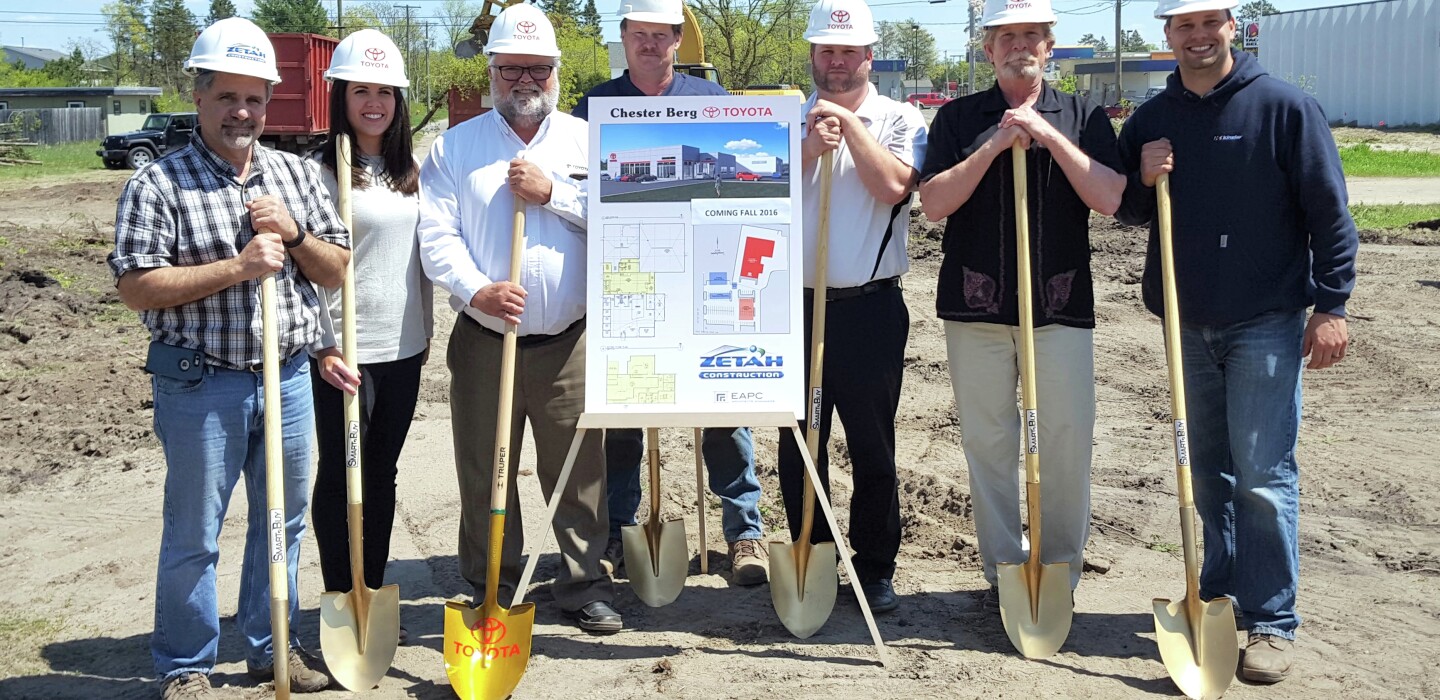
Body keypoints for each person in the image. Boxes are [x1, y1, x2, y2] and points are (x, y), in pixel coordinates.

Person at [107, 17, 349, 699]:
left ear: (269, 101)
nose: (242, 112)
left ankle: (272, 648)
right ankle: (185, 667)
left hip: (291, 377)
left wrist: (295, 235)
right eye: (226, 97)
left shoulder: (297, 176)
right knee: (195, 530)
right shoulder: (159, 184)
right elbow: (134, 285)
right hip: (199, 384)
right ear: (200, 94)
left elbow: (334, 272)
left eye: (254, 98)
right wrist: (238, 267)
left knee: (283, 520)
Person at [1116, 0, 1357, 682]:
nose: (1197, 37)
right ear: (1167, 35)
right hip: (1184, 322)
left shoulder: (1284, 107)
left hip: (1267, 322)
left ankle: (1273, 621)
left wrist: (1331, 305)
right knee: (1204, 473)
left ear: (1233, 27)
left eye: (1208, 23)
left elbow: (1329, 212)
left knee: (1263, 477)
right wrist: (1143, 174)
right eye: (1183, 26)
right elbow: (1130, 213)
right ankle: (1213, 596)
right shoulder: (1153, 120)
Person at [418, 4, 621, 634]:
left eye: (536, 69)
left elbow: (622, 219)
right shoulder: (456, 146)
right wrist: (477, 290)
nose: (523, 81)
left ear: (557, 70)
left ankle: (583, 581)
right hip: (485, 339)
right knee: (486, 465)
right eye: (510, 70)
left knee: (579, 468)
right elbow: (436, 235)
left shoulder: (587, 142)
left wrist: (553, 193)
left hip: (569, 340)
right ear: (491, 71)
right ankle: (492, 584)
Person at [917, 0, 1124, 614]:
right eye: (1007, 37)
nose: (1019, 46)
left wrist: (1047, 134)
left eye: (1032, 35)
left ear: (1049, 45)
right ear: (988, 50)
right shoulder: (958, 117)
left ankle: (1061, 568)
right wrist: (996, 143)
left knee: (1066, 437)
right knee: (988, 441)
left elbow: (1110, 197)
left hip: (1059, 304)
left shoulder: (1083, 114)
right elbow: (933, 203)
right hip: (975, 302)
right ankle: (1003, 565)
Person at [572, 0, 769, 585]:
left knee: (724, 409)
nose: (651, 45)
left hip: (703, 281)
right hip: (630, 283)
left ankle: (746, 535)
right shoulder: (594, 108)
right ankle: (615, 533)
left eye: (662, 36)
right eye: (640, 35)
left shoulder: (712, 104)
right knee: (626, 414)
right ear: (625, 37)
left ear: (679, 40)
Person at [775, 0, 927, 614]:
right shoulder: (782, 121)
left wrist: (847, 125)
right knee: (799, 443)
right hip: (795, 307)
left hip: (868, 309)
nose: (835, 61)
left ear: (868, 55)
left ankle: (876, 565)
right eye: (825, 50)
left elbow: (894, 185)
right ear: (813, 55)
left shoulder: (900, 118)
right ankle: (810, 553)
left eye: (847, 51)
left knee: (872, 443)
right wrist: (809, 148)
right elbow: (746, 187)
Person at [306, 29, 432, 645]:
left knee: (380, 475)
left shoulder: (413, 170)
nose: (374, 103)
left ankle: (374, 592)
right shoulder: (316, 172)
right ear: (341, 96)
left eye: (385, 91)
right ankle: (340, 595)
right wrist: (322, 346)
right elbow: (297, 275)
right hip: (342, 356)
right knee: (340, 477)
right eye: (361, 91)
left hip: (404, 351)